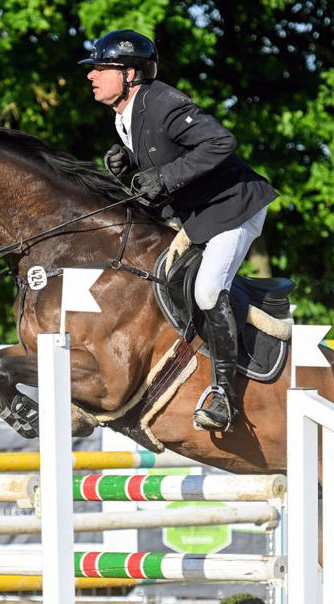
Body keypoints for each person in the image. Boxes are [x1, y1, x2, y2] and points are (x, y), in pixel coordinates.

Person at [80, 29, 278, 432]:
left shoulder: (164, 102)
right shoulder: (125, 115)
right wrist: (129, 167)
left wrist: (165, 177)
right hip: (198, 214)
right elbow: (162, 158)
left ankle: (225, 395)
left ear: (130, 74)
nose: (92, 75)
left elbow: (221, 142)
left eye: (102, 68)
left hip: (233, 209)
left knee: (207, 289)